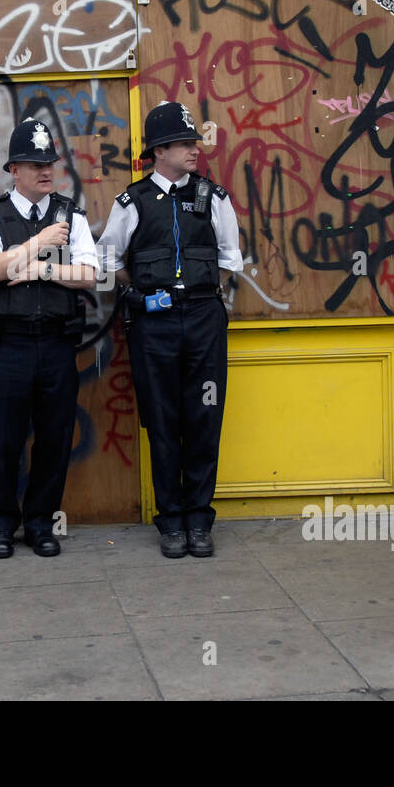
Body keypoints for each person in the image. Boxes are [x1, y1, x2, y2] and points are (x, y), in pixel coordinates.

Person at [96, 101, 241, 558]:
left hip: (203, 321)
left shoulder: (213, 197)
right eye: (184, 143)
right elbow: (106, 263)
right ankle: (171, 522)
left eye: (193, 141)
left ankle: (200, 520)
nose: (194, 149)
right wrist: (141, 292)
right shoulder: (132, 202)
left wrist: (195, 297)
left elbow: (228, 260)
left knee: (204, 418)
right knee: (162, 421)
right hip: (153, 326)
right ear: (159, 151)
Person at [0, 118, 98, 558]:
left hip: (57, 343)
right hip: (7, 346)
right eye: (34, 163)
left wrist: (38, 269)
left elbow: (88, 276)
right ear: (13, 170)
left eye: (49, 163)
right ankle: (2, 525)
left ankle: (41, 524)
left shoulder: (71, 215)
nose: (46, 170)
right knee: (2, 439)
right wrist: (39, 242)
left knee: (54, 436)